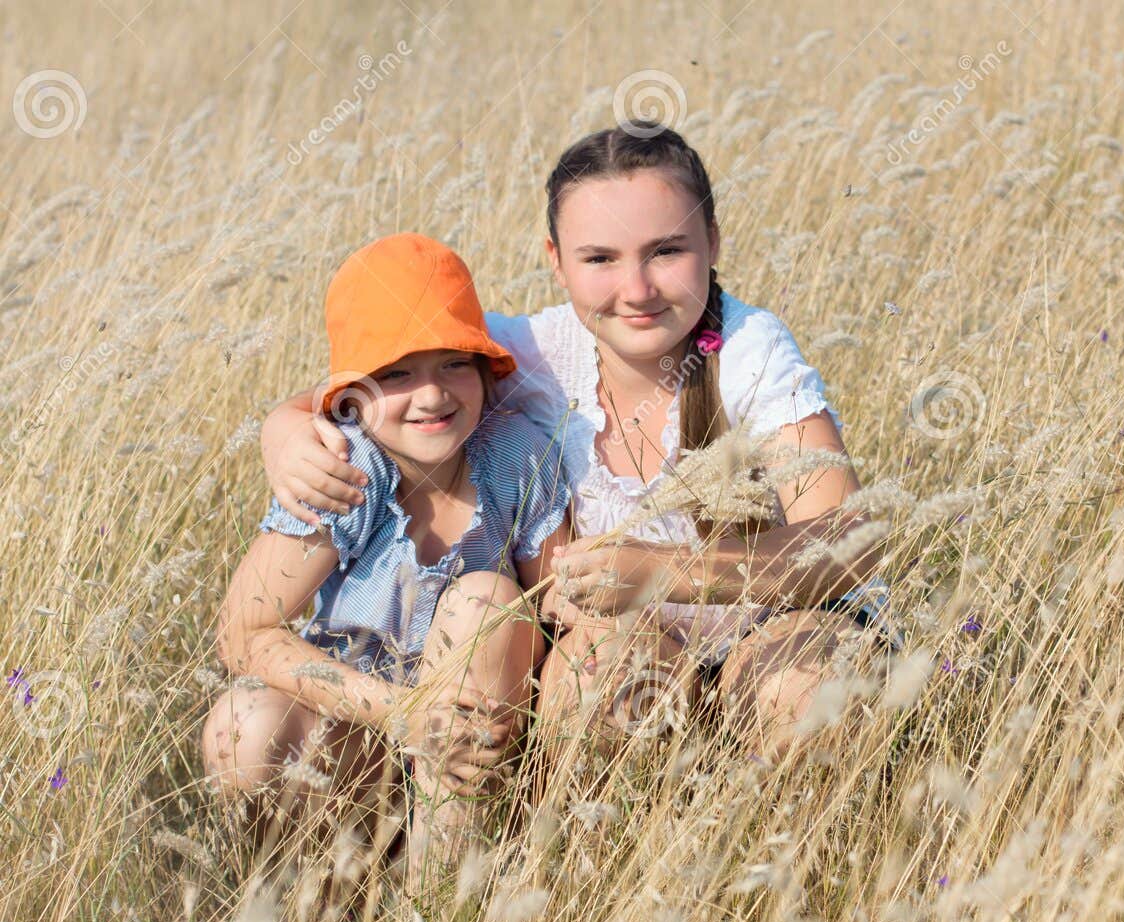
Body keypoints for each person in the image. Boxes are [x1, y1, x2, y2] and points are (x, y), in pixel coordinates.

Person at [259, 124, 894, 765]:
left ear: (713, 243)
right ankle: (612, 856)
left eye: (667, 251)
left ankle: (793, 851)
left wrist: (662, 570)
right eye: (600, 259)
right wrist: (283, 432)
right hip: (631, 643)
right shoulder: (534, 352)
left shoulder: (749, 348)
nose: (638, 290)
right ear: (556, 260)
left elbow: (848, 538)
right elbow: (386, 380)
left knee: (806, 690)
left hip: (776, 627)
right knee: (597, 682)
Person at [203, 233, 571, 893]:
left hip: (479, 748)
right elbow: (243, 630)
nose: (430, 397)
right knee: (244, 726)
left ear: (487, 371)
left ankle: (438, 910)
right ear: (350, 397)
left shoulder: (516, 454)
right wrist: (401, 714)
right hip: (361, 739)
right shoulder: (343, 471)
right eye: (397, 373)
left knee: (486, 599)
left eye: (454, 364)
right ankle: (315, 908)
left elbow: (559, 604)